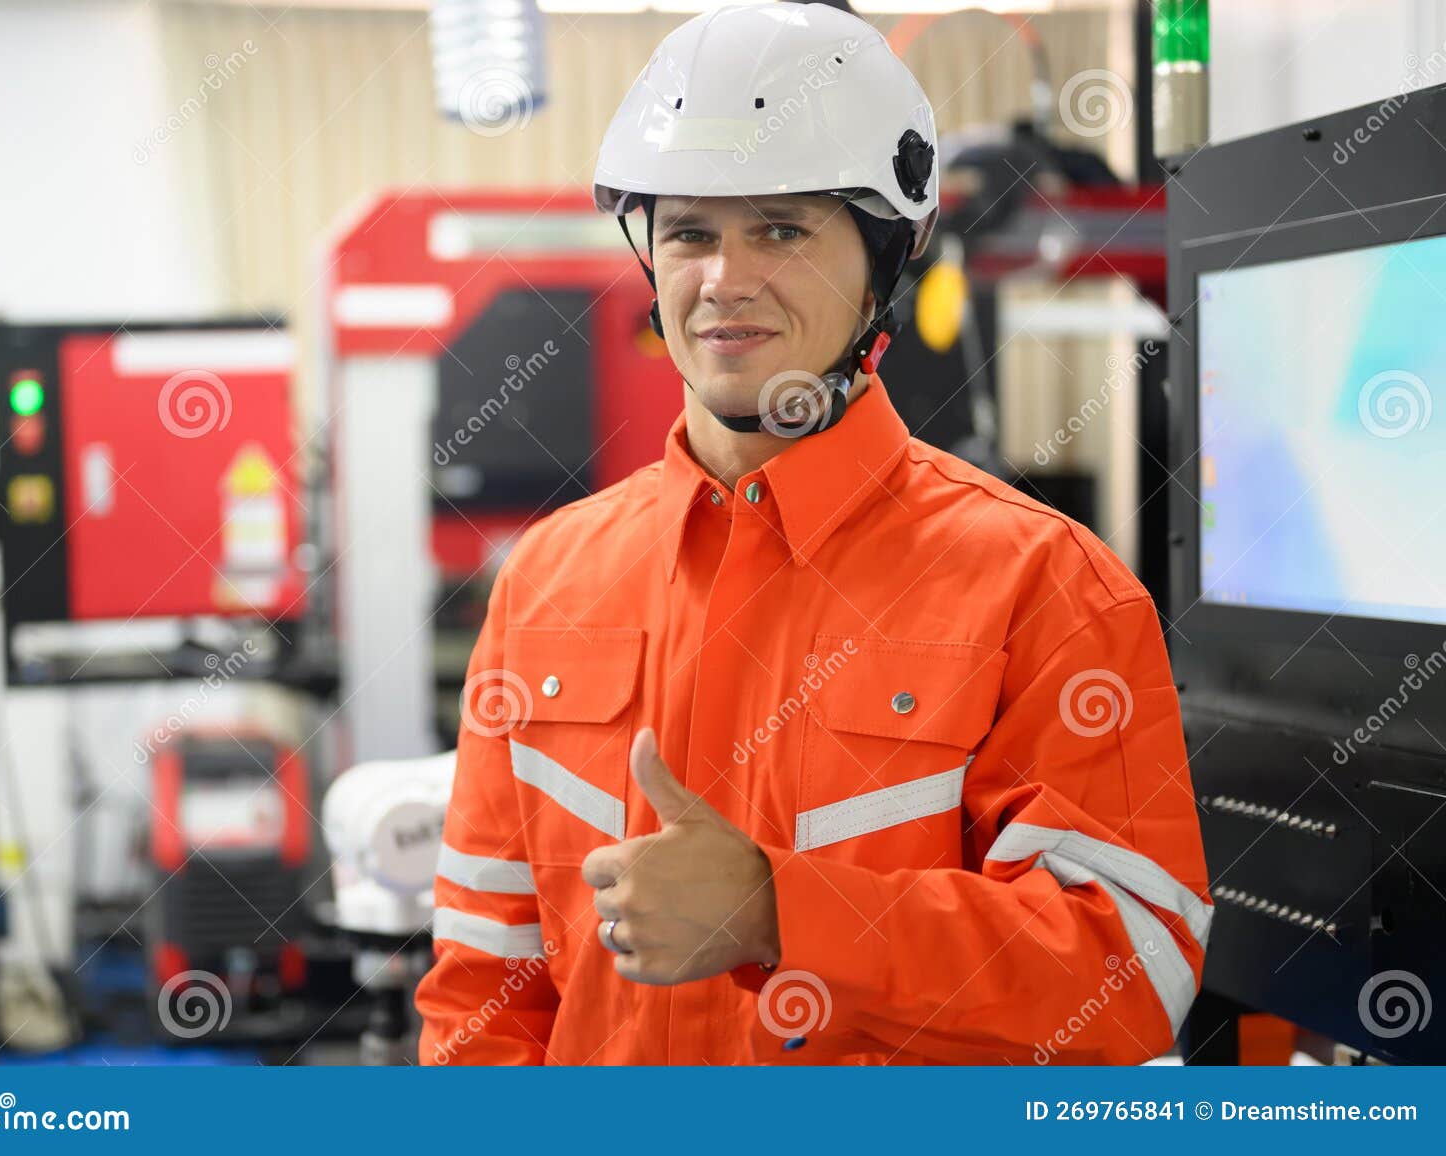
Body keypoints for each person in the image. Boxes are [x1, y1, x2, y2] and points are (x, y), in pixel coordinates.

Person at [415, 1, 1210, 1065]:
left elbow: (1127, 973)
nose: (723, 281)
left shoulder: (1046, 587)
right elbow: (482, 985)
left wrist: (782, 915)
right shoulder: (548, 580)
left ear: (885, 257)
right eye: (689, 231)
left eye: (781, 229)